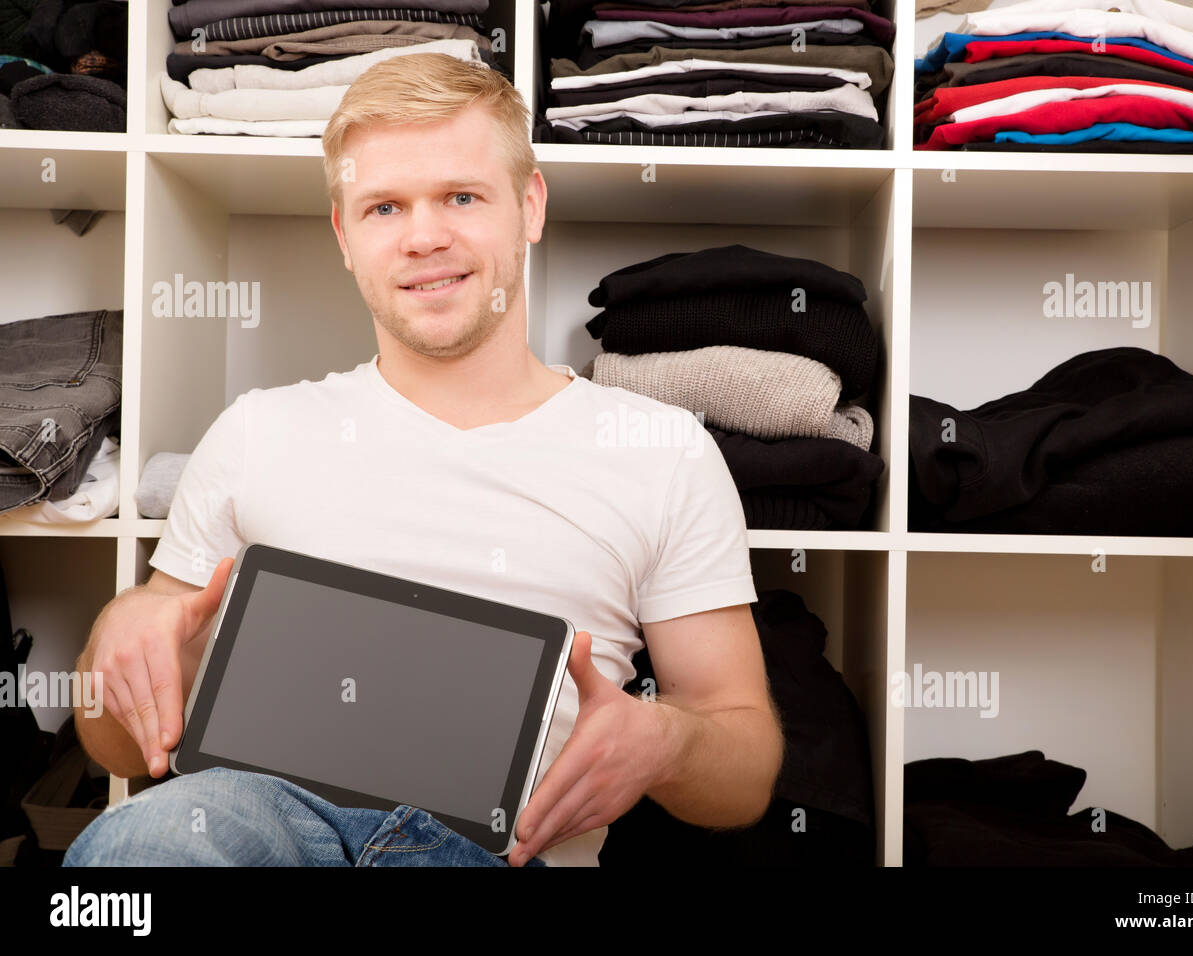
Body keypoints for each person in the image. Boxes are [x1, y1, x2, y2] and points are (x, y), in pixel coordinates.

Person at [64, 52, 784, 868]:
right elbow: (121, 751)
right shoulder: (254, 433)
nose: (424, 237)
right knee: (146, 845)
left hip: (501, 853)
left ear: (530, 206)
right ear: (344, 234)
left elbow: (746, 769)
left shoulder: (664, 453)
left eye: (462, 196)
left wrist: (666, 742)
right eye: (383, 207)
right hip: (255, 818)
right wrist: (117, 638)